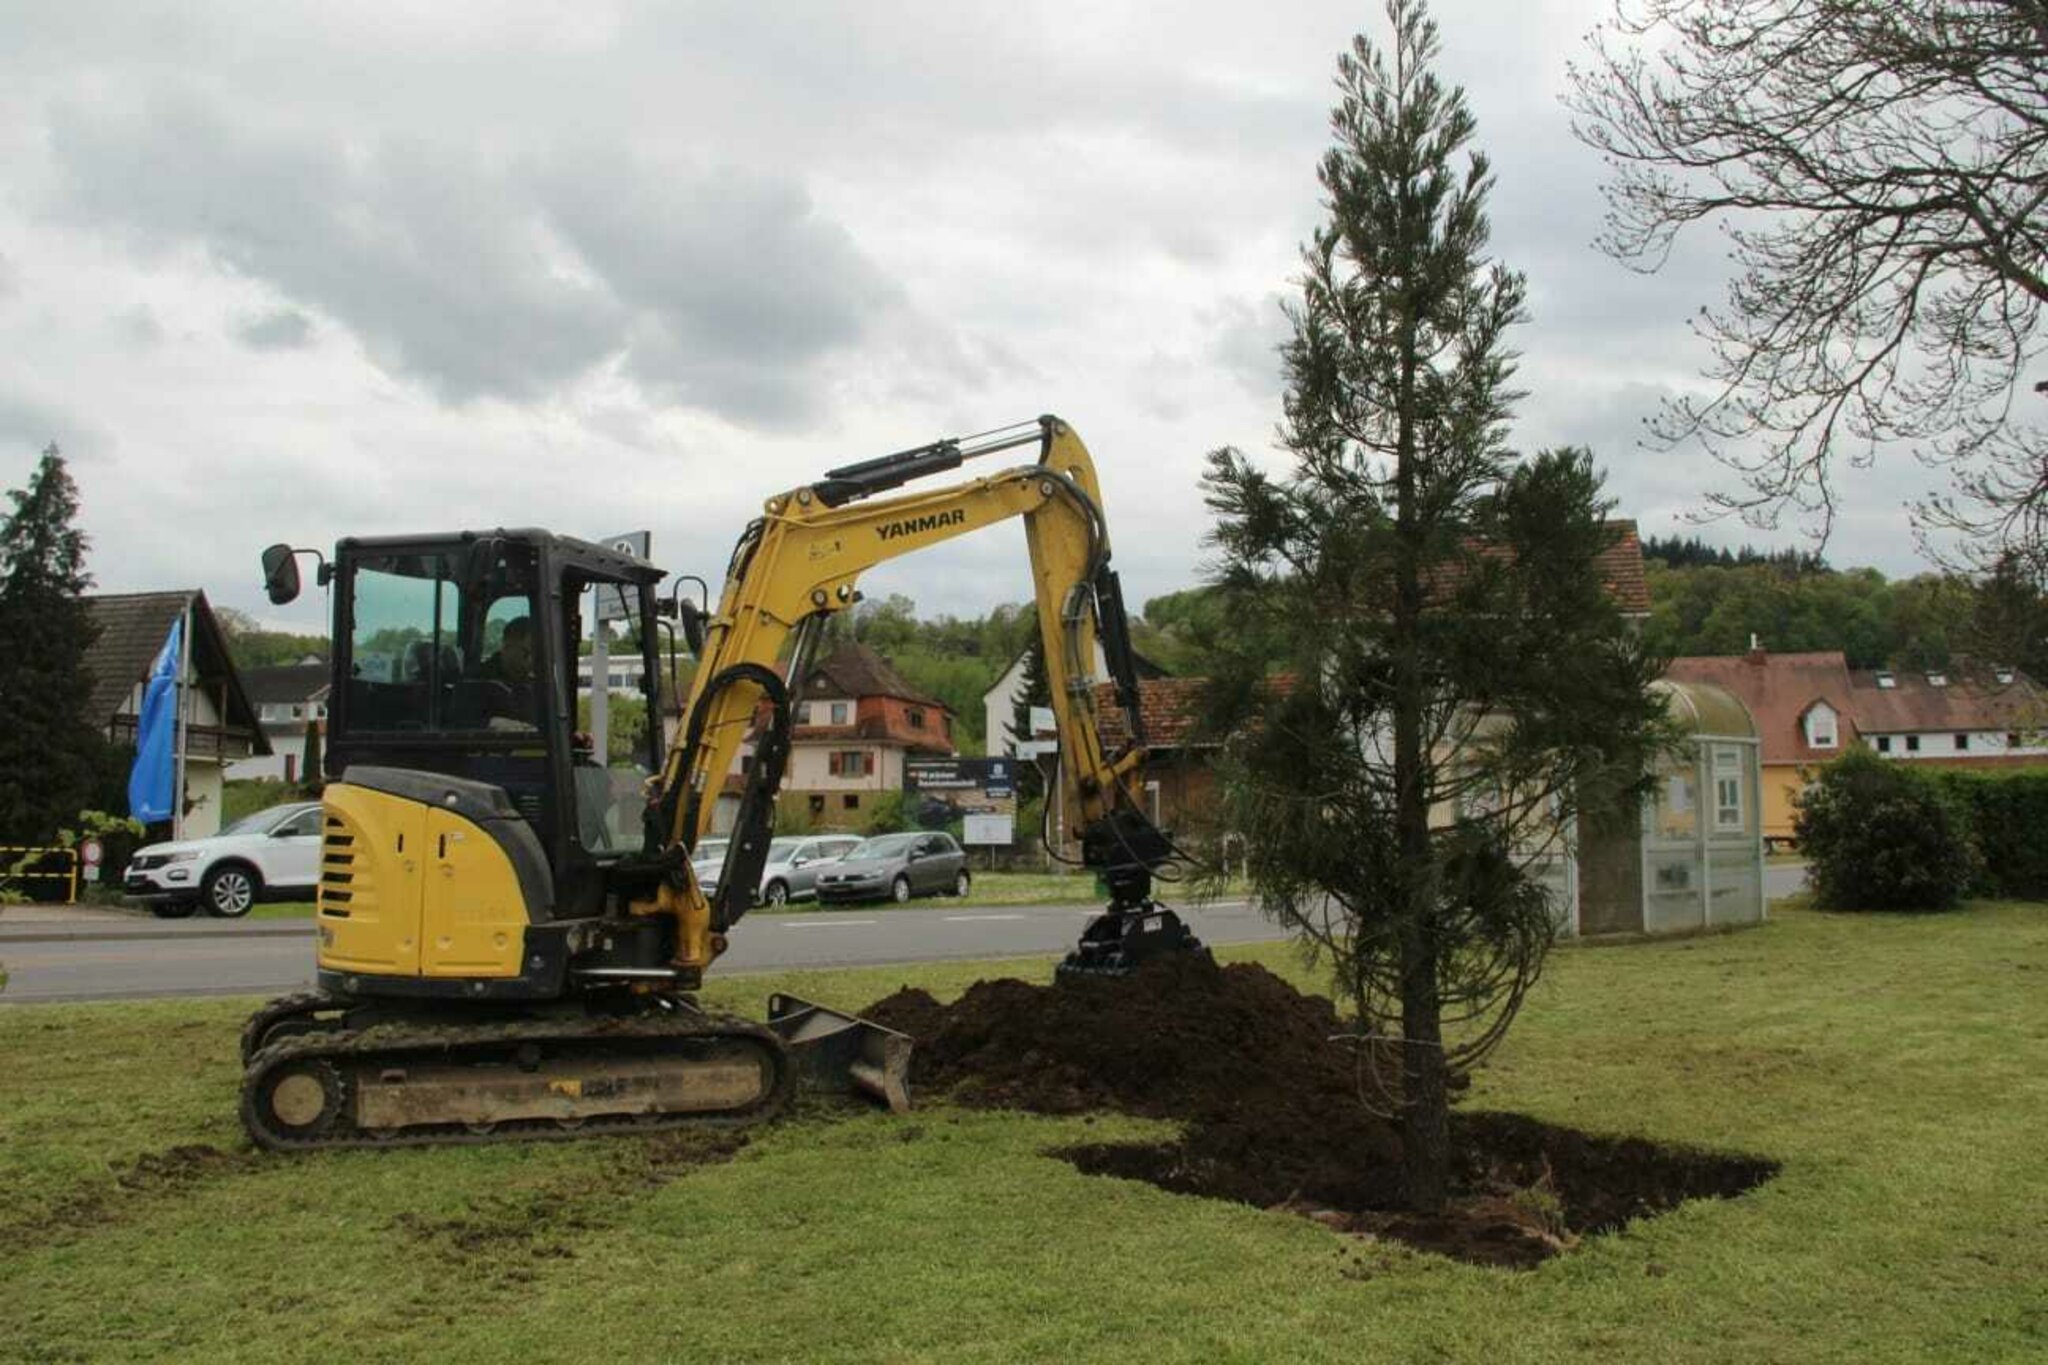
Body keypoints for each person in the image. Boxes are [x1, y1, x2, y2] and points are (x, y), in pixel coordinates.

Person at [480, 615, 538, 727]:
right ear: (507, 647)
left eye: (537, 654)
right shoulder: (478, 681)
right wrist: (492, 723)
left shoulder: (537, 684)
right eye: (527, 653)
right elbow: (460, 725)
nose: (532, 661)